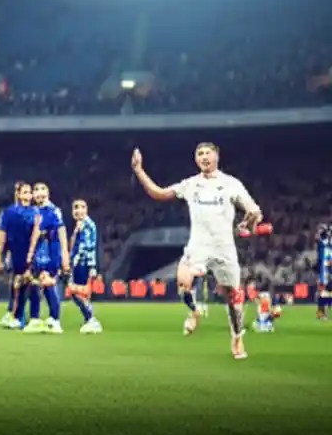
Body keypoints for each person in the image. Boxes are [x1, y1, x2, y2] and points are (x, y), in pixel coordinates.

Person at [131, 143, 262, 360]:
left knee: (233, 299)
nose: (203, 157)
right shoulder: (190, 184)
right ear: (196, 159)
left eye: (207, 153)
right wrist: (139, 171)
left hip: (223, 248)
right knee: (183, 282)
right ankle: (194, 311)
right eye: (199, 154)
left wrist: (249, 222)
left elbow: (254, 211)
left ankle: (237, 337)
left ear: (216, 156)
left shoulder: (231, 184)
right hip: (198, 246)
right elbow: (159, 194)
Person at [0, 181, 40, 331]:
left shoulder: (36, 212)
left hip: (33, 252)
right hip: (16, 252)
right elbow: (1, 236)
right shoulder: (9, 213)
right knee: (18, 284)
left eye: (30, 192)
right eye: (25, 192)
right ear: (18, 194)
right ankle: (15, 315)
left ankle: (33, 317)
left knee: (33, 284)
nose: (28, 195)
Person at [24, 183, 68, 334]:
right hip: (38, 253)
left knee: (48, 283)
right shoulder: (34, 211)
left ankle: (55, 320)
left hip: (50, 252)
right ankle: (35, 319)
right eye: (36, 190)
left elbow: (59, 232)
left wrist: (64, 255)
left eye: (42, 189)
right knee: (34, 285)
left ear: (48, 193)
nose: (38, 193)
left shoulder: (52, 211)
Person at [68, 199, 103, 334]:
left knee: (77, 292)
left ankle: (91, 319)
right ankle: (88, 318)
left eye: (82, 207)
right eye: (76, 207)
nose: (78, 210)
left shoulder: (87, 225)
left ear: (86, 210)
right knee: (78, 293)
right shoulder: (80, 225)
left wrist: (91, 267)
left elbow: (88, 247)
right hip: (80, 263)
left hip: (83, 264)